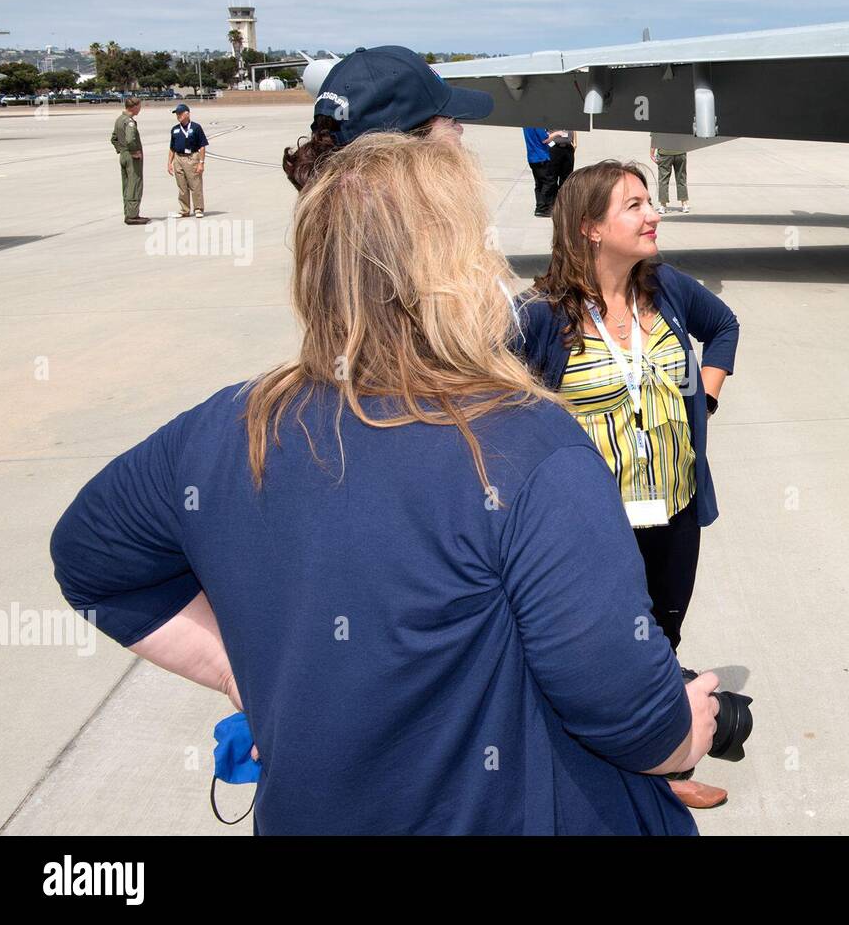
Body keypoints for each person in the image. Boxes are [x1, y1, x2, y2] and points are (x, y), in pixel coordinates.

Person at [50, 131, 720, 836]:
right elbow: (631, 715)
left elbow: (93, 560)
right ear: (454, 265)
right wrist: (688, 729)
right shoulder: (530, 446)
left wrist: (246, 676)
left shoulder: (227, 428)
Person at [514, 160, 739, 809]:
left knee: (661, 641)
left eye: (650, 202)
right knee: (593, 652)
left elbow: (723, 326)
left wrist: (709, 398)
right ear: (589, 227)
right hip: (591, 531)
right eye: (635, 205)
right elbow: (496, 411)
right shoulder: (539, 317)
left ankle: (661, 771)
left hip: (674, 507)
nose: (653, 214)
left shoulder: (665, 287)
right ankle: (586, 771)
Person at [283, 44, 492, 192]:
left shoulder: (340, 224)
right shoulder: (419, 241)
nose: (459, 129)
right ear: (405, 146)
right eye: (449, 119)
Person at [110, 96, 148, 224]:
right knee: (134, 184)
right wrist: (133, 151)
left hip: (123, 155)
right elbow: (131, 139)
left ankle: (128, 212)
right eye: (139, 106)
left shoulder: (119, 120)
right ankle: (133, 215)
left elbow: (114, 139)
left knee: (126, 186)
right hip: (131, 157)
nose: (140, 109)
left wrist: (121, 150)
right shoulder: (129, 122)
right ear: (134, 106)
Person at [167, 103, 208, 217]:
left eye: (180, 113)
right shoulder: (175, 129)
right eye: (177, 114)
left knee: (195, 184)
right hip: (178, 158)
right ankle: (184, 209)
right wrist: (169, 163)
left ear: (187, 114)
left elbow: (202, 146)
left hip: (192, 157)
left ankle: (198, 208)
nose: (178, 116)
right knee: (182, 185)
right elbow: (172, 147)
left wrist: (201, 163)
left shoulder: (196, 127)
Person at [523, 126, 558, 217]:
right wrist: (558, 133)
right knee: (549, 182)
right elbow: (545, 139)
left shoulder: (526, 125)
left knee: (539, 183)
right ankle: (542, 208)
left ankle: (540, 207)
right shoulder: (537, 124)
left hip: (532, 157)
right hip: (541, 157)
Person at [651, 145, 689, 215]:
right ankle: (684, 204)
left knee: (663, 180)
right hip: (680, 151)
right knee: (681, 178)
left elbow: (655, 138)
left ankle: (663, 205)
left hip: (664, 153)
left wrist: (652, 153)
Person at [546, 128, 577, 201]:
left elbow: (574, 127)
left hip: (568, 148)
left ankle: (563, 201)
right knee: (552, 178)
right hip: (554, 147)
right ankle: (552, 202)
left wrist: (575, 142)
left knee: (567, 178)